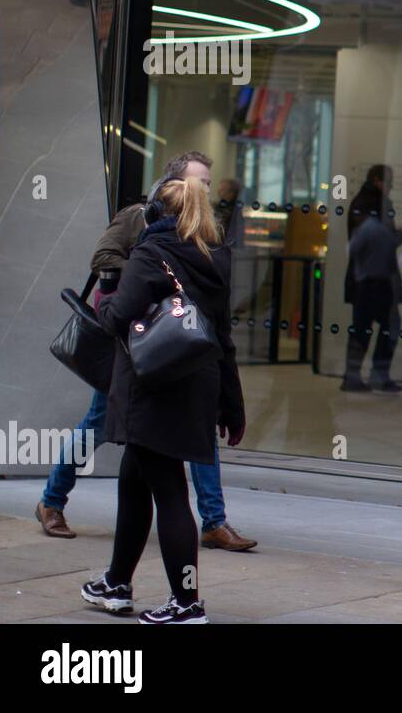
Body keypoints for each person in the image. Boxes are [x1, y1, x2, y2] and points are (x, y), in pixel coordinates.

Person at [36, 151, 257, 553]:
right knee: (99, 423)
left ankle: (213, 520)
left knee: (197, 431)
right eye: (200, 182)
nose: (206, 188)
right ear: (174, 184)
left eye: (209, 182)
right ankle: (52, 501)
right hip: (133, 346)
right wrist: (145, 276)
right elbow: (103, 257)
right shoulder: (139, 218)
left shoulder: (205, 229)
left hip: (182, 349)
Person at [84, 171, 246, 623]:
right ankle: (116, 582)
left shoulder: (151, 253)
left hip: (152, 390)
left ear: (156, 212)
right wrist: (232, 406)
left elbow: (116, 318)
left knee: (170, 493)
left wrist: (106, 292)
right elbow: (224, 337)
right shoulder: (213, 258)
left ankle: (187, 602)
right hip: (197, 386)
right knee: (135, 481)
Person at [343, 164, 402, 392]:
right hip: (373, 278)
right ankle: (370, 376)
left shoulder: (362, 203)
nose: (390, 187)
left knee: (365, 327)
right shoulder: (370, 204)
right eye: (388, 182)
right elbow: (375, 241)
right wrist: (399, 235)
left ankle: (358, 376)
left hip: (367, 277)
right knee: (381, 325)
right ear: (377, 180)